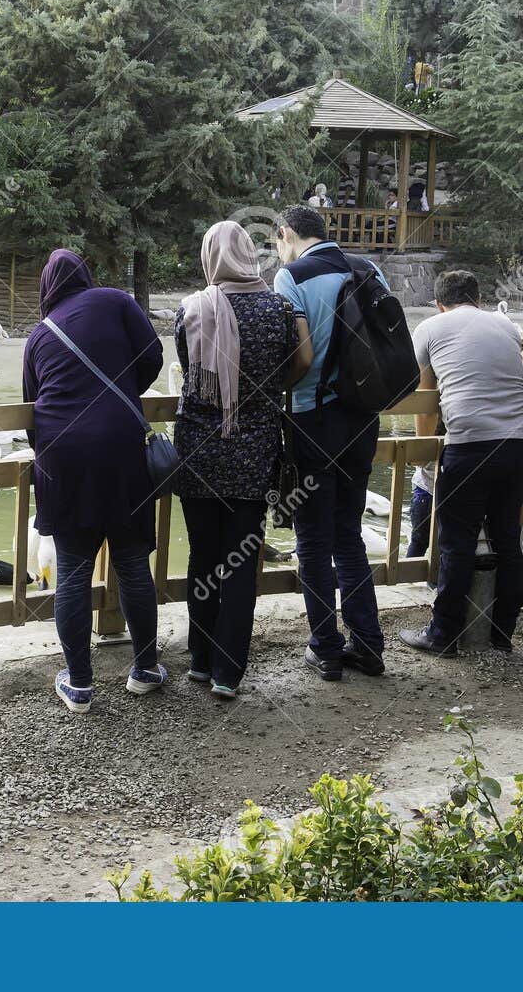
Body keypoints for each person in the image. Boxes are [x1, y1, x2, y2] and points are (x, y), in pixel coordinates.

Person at [23, 250, 166, 713]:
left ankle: (80, 685)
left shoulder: (38, 335)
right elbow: (153, 357)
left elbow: (31, 407)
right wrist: (121, 392)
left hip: (63, 457)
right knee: (131, 563)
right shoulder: (116, 300)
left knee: (73, 570)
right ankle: (144, 670)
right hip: (122, 448)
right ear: (85, 275)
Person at [172, 221, 304, 698]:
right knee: (241, 562)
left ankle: (200, 662)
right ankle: (229, 672)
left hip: (200, 453)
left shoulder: (192, 311)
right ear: (250, 255)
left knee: (204, 558)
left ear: (210, 257)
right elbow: (291, 367)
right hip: (255, 452)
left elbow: (191, 372)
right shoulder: (280, 311)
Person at [271, 204, 388, 679]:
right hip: (363, 419)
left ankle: (325, 646)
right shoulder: (369, 268)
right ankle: (369, 644)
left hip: (312, 420)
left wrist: (282, 385)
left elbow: (300, 356)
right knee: (349, 534)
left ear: (285, 235)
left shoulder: (291, 278)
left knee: (313, 540)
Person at [399, 270, 523, 656]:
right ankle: (501, 634)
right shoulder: (505, 324)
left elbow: (417, 381)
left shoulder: (431, 326)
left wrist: (424, 443)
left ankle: (443, 635)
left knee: (456, 543)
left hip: (469, 442)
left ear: (440, 303)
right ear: (478, 298)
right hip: (516, 443)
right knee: (508, 539)